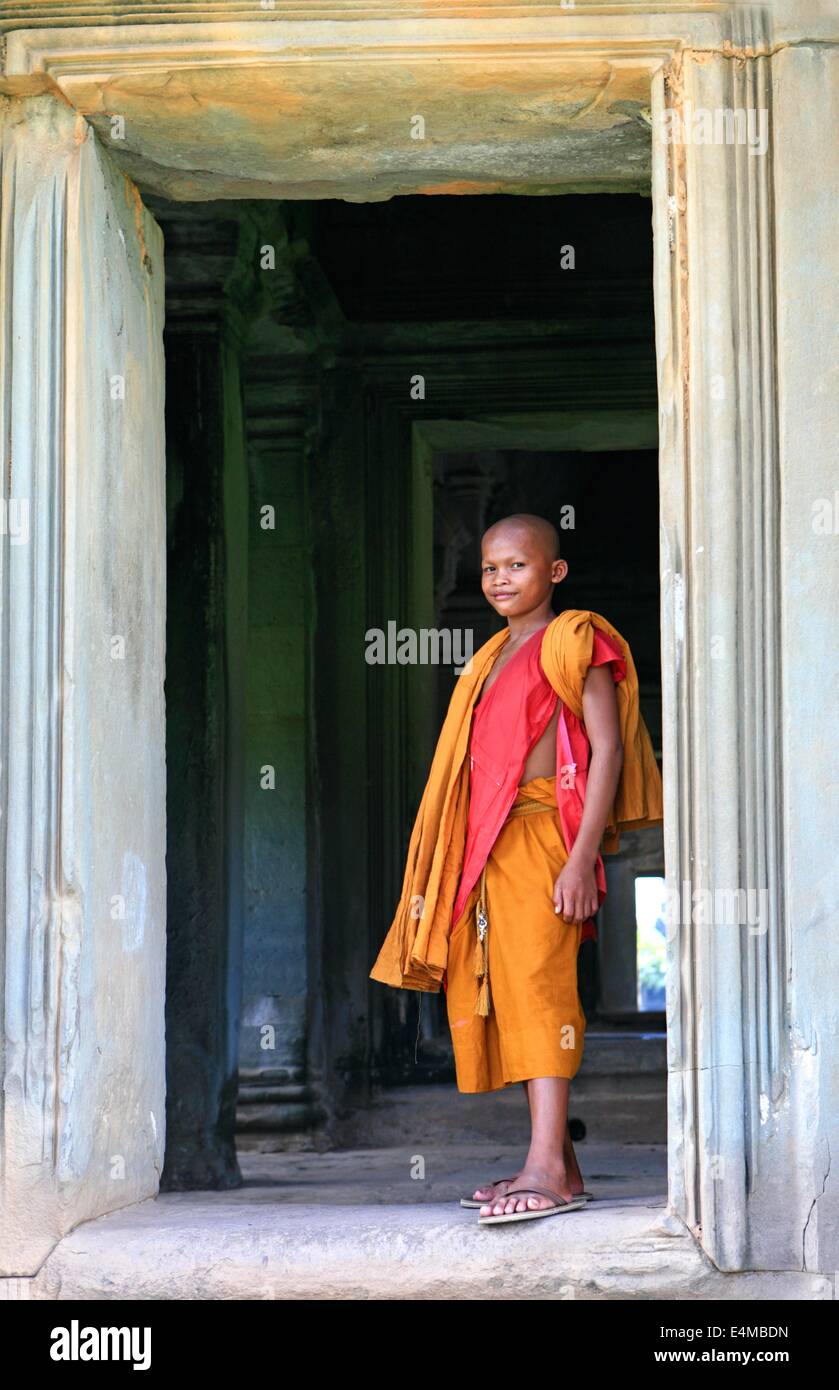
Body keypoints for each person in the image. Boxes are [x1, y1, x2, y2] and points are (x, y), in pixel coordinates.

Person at [369, 513, 663, 1224]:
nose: (501, 578)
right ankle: (560, 1163)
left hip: (542, 840)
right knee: (503, 993)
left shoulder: (574, 641)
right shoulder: (489, 657)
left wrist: (580, 857)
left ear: (553, 573)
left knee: (539, 993)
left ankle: (544, 1171)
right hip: (487, 848)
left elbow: (606, 753)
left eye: (518, 566)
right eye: (490, 569)